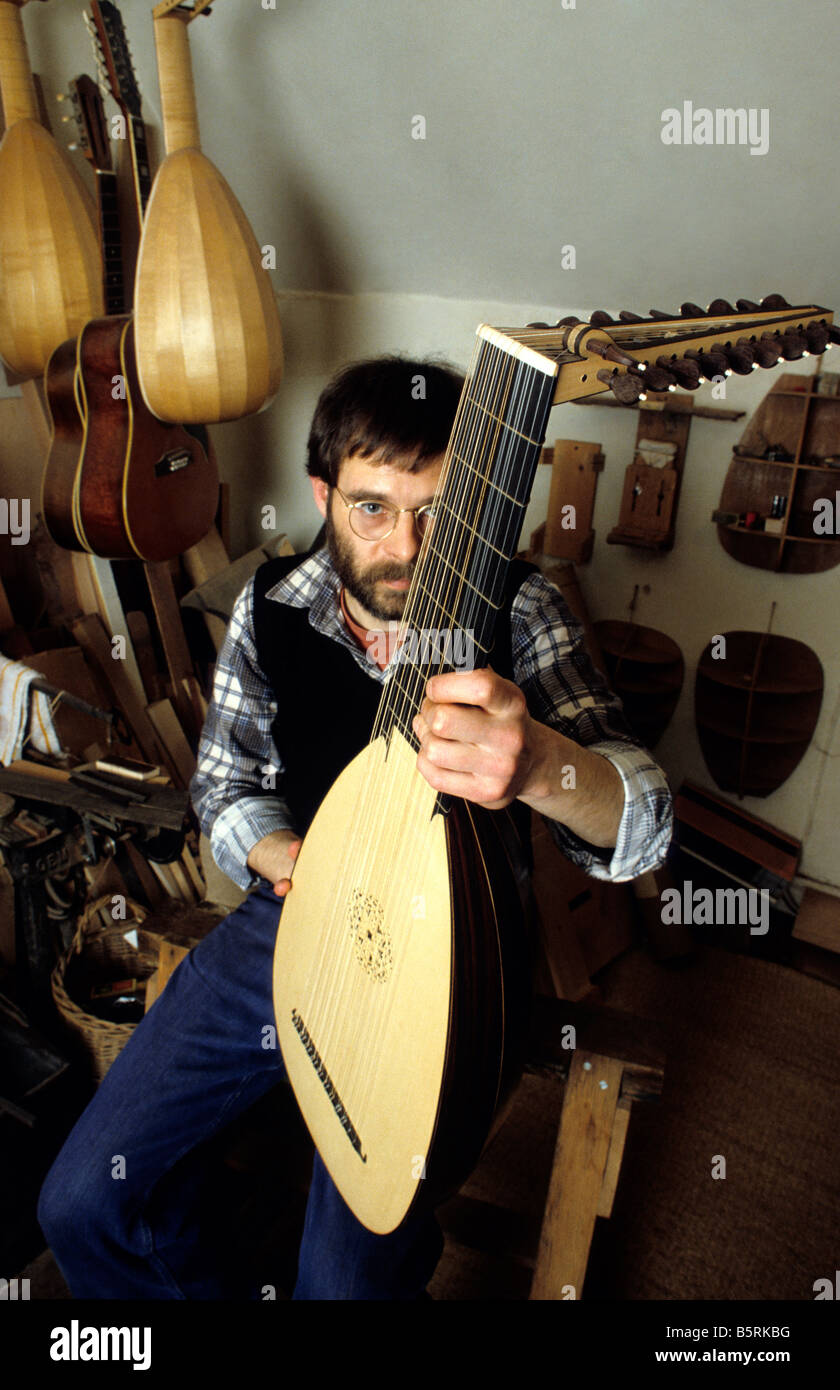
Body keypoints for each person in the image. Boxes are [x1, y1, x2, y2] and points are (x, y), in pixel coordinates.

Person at [38, 356, 672, 1300]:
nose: (405, 545)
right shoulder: (271, 604)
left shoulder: (521, 607)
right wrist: (288, 856)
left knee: (342, 1283)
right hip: (290, 918)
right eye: (372, 507)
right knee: (84, 1203)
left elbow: (645, 822)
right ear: (321, 494)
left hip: (448, 957)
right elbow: (225, 784)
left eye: (437, 514)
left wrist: (542, 763)